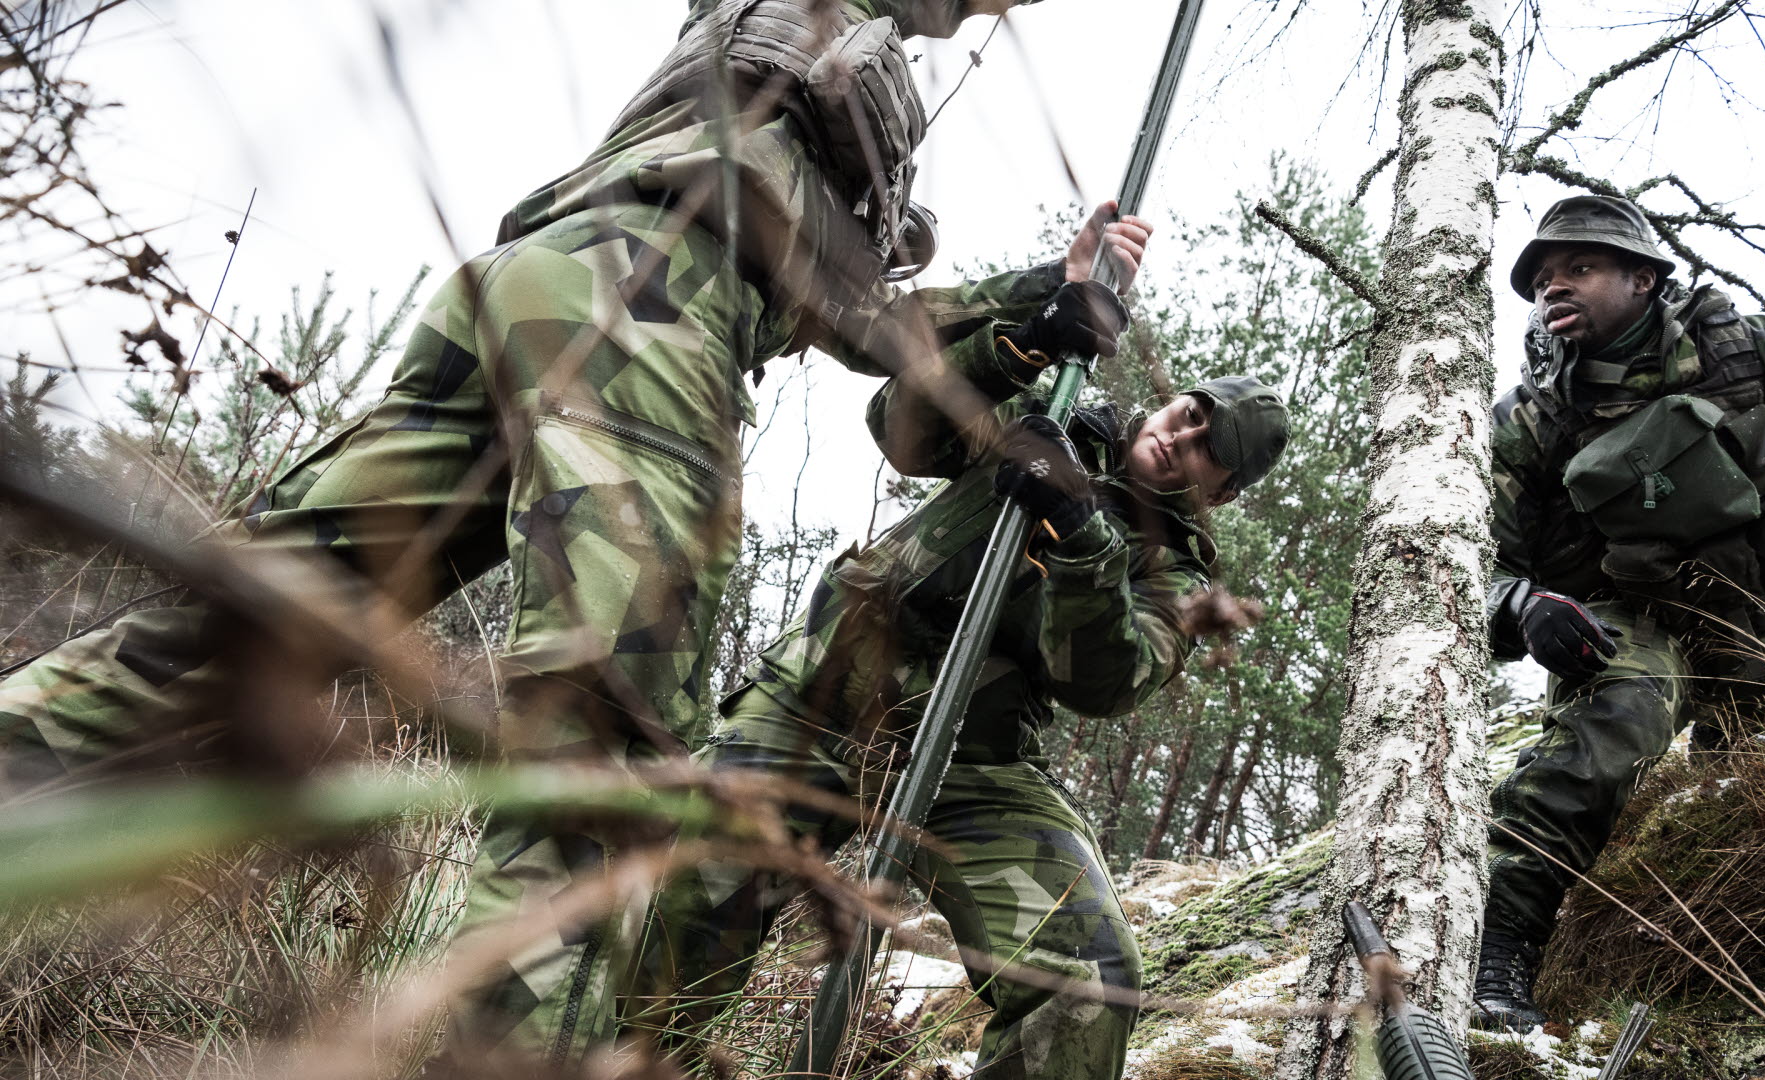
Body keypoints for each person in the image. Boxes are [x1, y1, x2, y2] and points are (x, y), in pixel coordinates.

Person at [0, 0, 1152, 1065]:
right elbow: (824, 281)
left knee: (241, 627)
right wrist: (1028, 305)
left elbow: (853, 310)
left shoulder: (814, 60)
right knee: (611, 748)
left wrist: (1040, 301)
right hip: (647, 315)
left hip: (549, 279)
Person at [631, 317, 1292, 1078]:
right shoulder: (1052, 413)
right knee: (686, 898)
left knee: (1089, 978)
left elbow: (1104, 682)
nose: (1186, 436)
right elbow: (898, 424)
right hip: (817, 701)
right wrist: (1018, 348)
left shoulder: (1177, 580)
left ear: (1226, 492)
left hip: (970, 763)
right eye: (1192, 413)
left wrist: (1084, 537)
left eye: (1211, 448)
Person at [1473, 193, 1765, 1030]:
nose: (1552, 289)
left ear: (1644, 277)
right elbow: (1469, 566)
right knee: (1614, 728)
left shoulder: (1746, 349)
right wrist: (1523, 603)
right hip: (1627, 623)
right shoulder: (1528, 420)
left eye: (1579, 268)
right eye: (1540, 280)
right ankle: (1495, 962)